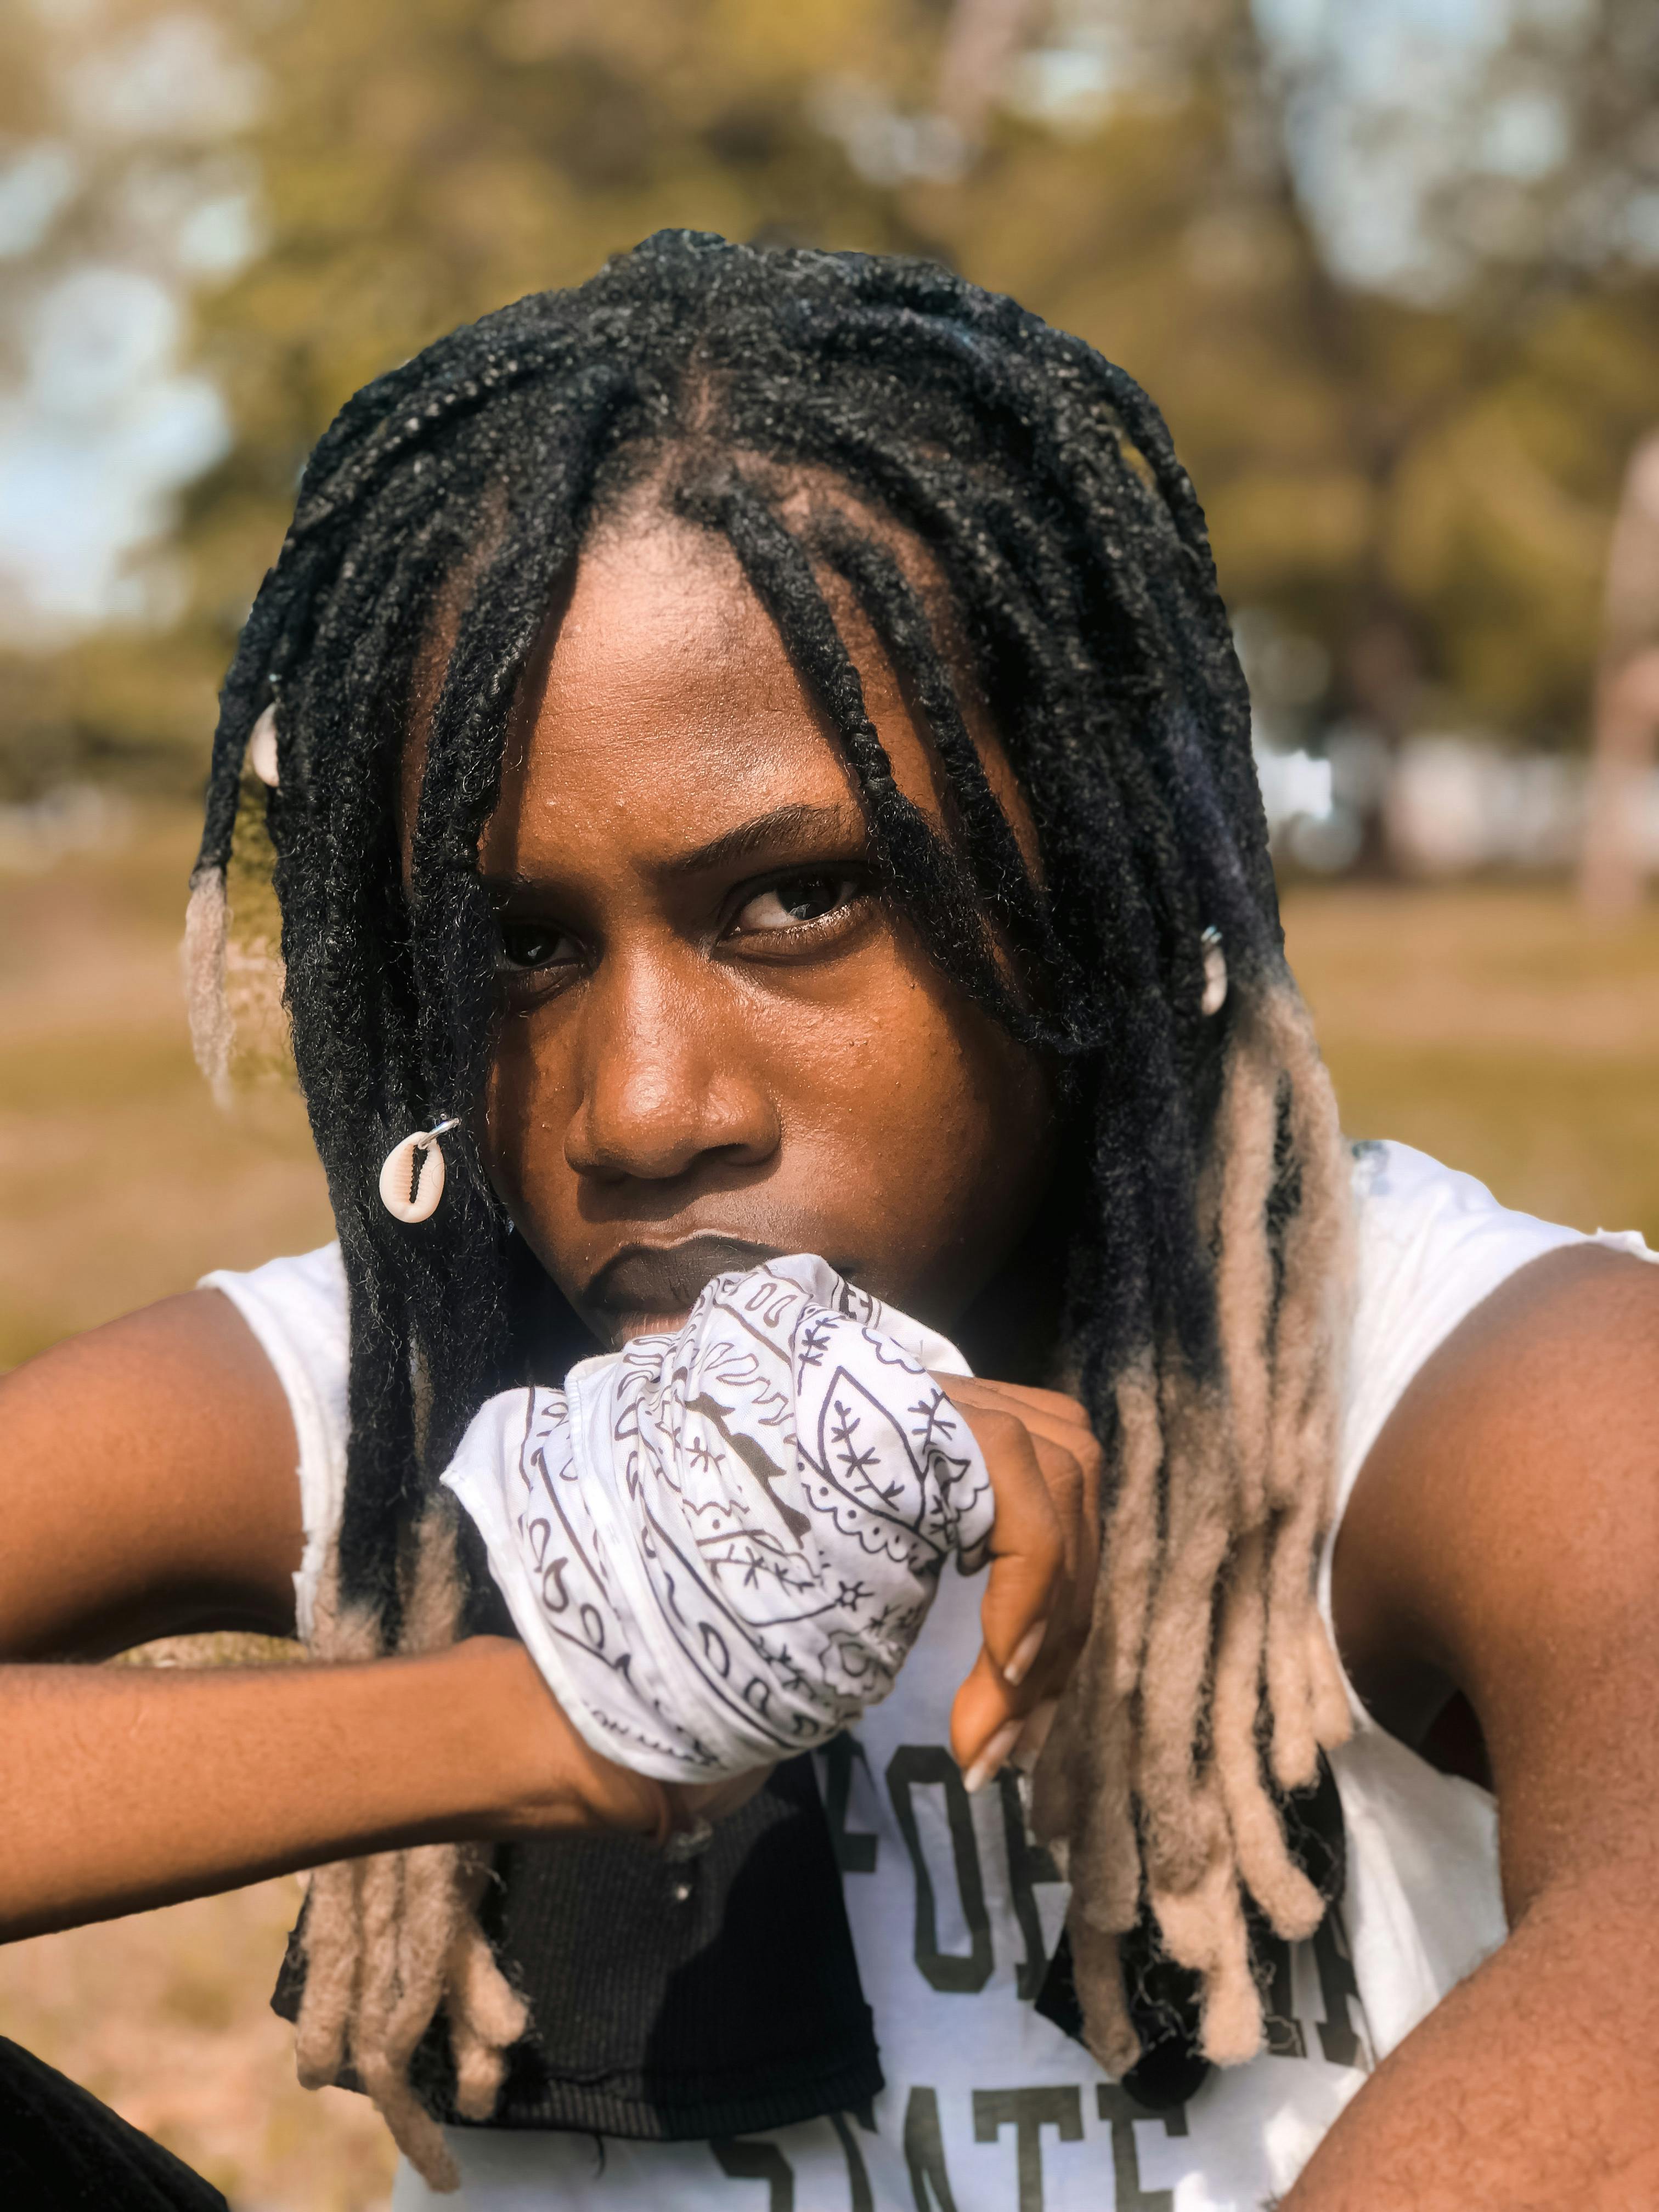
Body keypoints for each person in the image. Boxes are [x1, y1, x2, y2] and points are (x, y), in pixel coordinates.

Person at [3, 232, 1657, 2212]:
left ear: (1089, 881)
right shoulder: (414, 1387)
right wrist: (544, 1712)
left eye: (793, 902)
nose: (643, 1106)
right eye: (522, 946)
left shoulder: (1441, 1374)